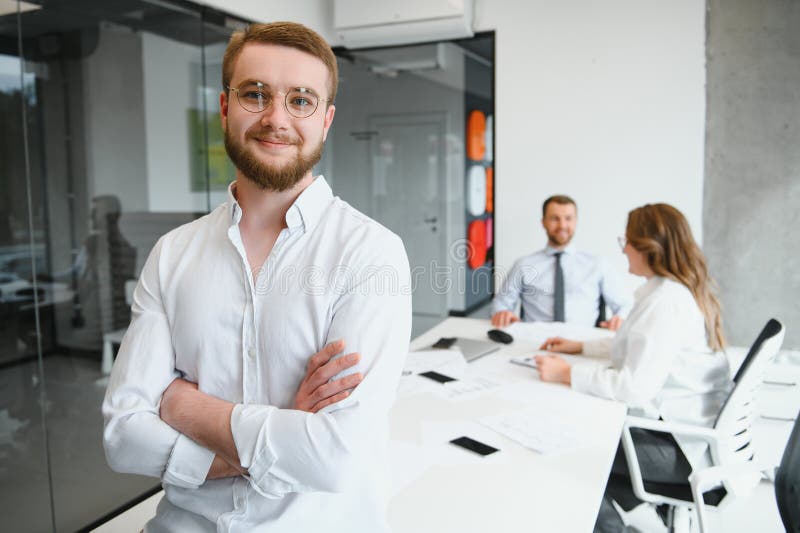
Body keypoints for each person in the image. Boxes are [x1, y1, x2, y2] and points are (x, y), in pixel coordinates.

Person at [102, 22, 411, 532]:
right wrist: (279, 431)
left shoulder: (371, 254)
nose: (276, 118)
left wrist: (185, 406)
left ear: (326, 120)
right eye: (255, 94)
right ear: (225, 107)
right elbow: (122, 436)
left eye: (301, 100)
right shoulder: (172, 253)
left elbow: (333, 457)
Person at [535, 203, 732, 531]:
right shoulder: (667, 293)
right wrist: (581, 347)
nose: (623, 249)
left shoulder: (666, 303)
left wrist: (565, 373)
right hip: (685, 437)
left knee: (565, 453)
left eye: (627, 241)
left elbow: (634, 388)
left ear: (648, 248)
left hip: (679, 451)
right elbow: (638, 345)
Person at [491, 195, 632, 330]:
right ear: (543, 222)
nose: (562, 225)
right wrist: (502, 313)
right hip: (534, 341)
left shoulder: (598, 264)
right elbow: (500, 305)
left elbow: (624, 306)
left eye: (568, 218)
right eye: (554, 218)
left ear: (576, 221)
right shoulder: (523, 265)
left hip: (581, 343)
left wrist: (620, 318)